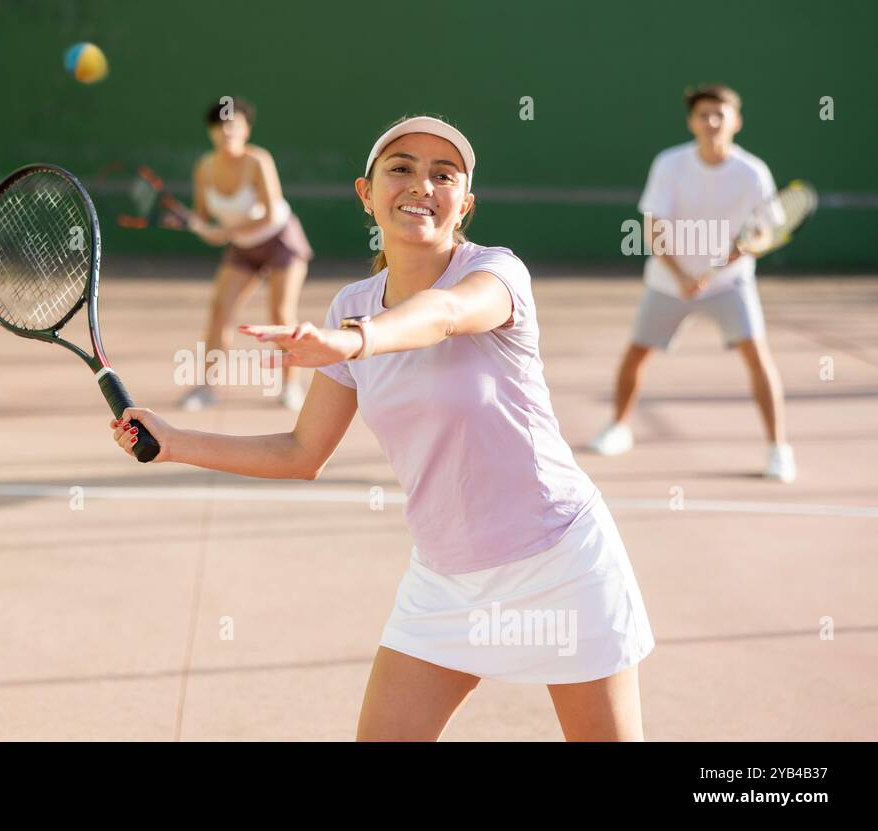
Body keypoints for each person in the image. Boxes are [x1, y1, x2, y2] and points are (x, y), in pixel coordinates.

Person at [109, 116, 654, 741]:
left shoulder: (498, 274)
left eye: (442, 174)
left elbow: (444, 314)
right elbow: (301, 451)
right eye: (401, 168)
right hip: (445, 578)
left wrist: (353, 342)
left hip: (560, 560)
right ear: (367, 192)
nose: (421, 184)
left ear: (464, 204)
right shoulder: (349, 303)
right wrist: (174, 442)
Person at [589, 84, 795, 482]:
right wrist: (682, 276)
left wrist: (744, 250)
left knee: (757, 356)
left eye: (720, 114)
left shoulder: (753, 173)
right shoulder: (670, 164)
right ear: (692, 122)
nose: (712, 122)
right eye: (704, 115)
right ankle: (617, 428)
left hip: (730, 284)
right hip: (668, 282)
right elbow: (653, 228)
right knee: (637, 354)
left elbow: (765, 233)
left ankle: (778, 450)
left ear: (736, 121)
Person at [179, 97, 314, 412]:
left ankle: (290, 386)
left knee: (280, 315)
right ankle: (206, 388)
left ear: (246, 130)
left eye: (234, 124)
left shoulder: (258, 161)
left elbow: (269, 214)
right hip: (243, 248)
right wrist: (200, 227)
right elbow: (202, 215)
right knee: (219, 311)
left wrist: (223, 232)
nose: (227, 131)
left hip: (281, 242)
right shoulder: (204, 167)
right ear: (212, 131)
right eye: (221, 125)